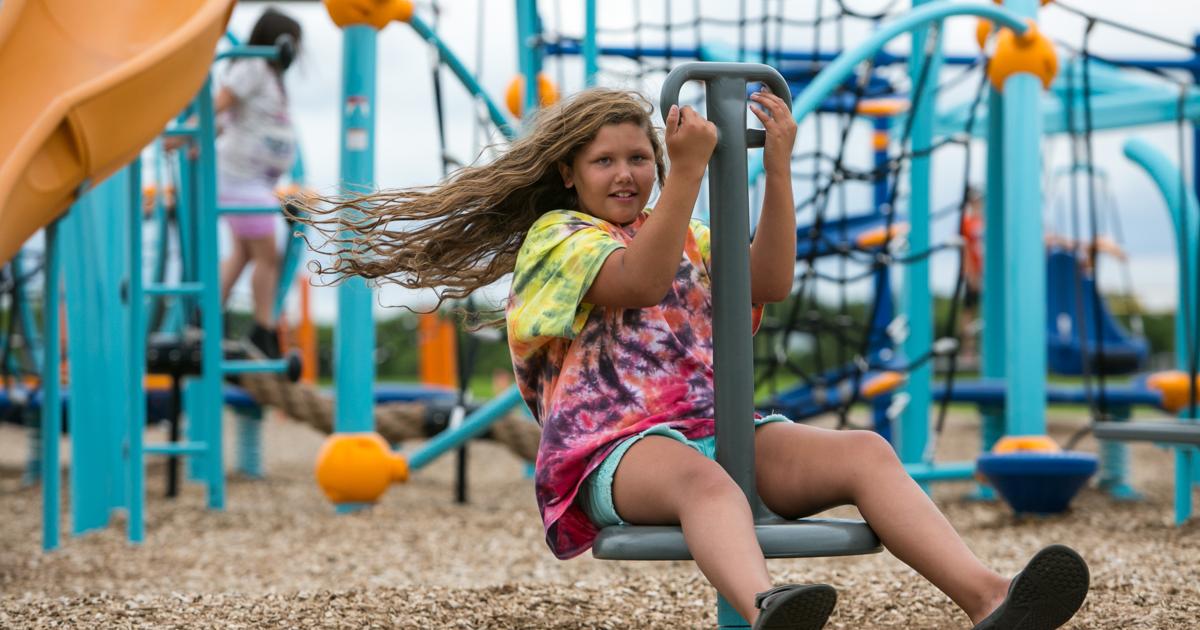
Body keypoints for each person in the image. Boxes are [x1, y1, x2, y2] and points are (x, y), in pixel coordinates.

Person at [295, 88, 1089, 629]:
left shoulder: (688, 234)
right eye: (606, 161)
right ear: (569, 173)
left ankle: (989, 600)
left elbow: (769, 278)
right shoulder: (559, 239)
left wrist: (775, 167)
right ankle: (766, 603)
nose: (627, 174)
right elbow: (636, 284)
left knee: (864, 451)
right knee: (705, 482)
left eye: (640, 158)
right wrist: (690, 173)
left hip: (716, 425)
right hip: (609, 454)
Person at [169, 8, 302, 357]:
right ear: (279, 42)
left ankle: (204, 317)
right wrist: (185, 136)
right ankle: (263, 330)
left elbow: (230, 117)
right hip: (241, 179)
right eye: (294, 45)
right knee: (268, 256)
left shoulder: (268, 76)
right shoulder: (253, 67)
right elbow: (219, 104)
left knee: (243, 254)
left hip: (253, 179)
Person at [959, 186, 985, 366]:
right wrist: (970, 274)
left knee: (986, 310)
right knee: (969, 310)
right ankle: (968, 350)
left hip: (986, 273)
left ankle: (983, 347)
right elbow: (965, 249)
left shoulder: (984, 220)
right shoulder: (966, 222)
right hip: (973, 273)